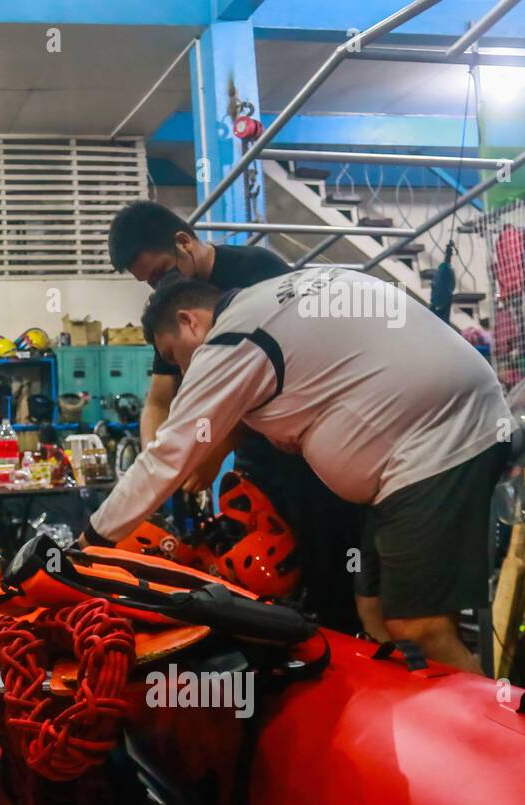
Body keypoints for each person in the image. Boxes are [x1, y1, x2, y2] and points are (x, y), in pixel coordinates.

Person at [82, 267, 509, 674]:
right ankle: (417, 726)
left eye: (175, 357)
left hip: (439, 442)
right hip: (417, 447)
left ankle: (498, 744)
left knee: (421, 627)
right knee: (372, 608)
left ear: (189, 321)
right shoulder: (268, 305)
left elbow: (165, 457)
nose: (182, 372)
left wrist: (88, 546)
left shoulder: (232, 338)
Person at [108, 200, 366, 633]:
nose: (159, 287)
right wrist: (157, 463)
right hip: (254, 468)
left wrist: (211, 452)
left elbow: (281, 377)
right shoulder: (173, 307)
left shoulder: (257, 272)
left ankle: (348, 667)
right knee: (252, 577)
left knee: (328, 577)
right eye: (150, 283)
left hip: (308, 458)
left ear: (184, 242)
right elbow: (158, 401)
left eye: (161, 273)